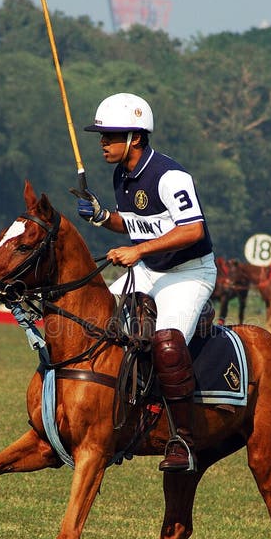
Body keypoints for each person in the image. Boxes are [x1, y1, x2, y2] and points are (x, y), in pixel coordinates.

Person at [77, 92, 217, 472]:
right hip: (151, 268)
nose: (103, 143)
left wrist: (137, 251)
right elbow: (135, 223)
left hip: (188, 272)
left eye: (110, 136)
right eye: (101, 136)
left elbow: (192, 229)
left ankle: (183, 439)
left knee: (166, 343)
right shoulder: (121, 174)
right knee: (95, 320)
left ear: (135, 138)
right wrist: (102, 216)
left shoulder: (170, 176)